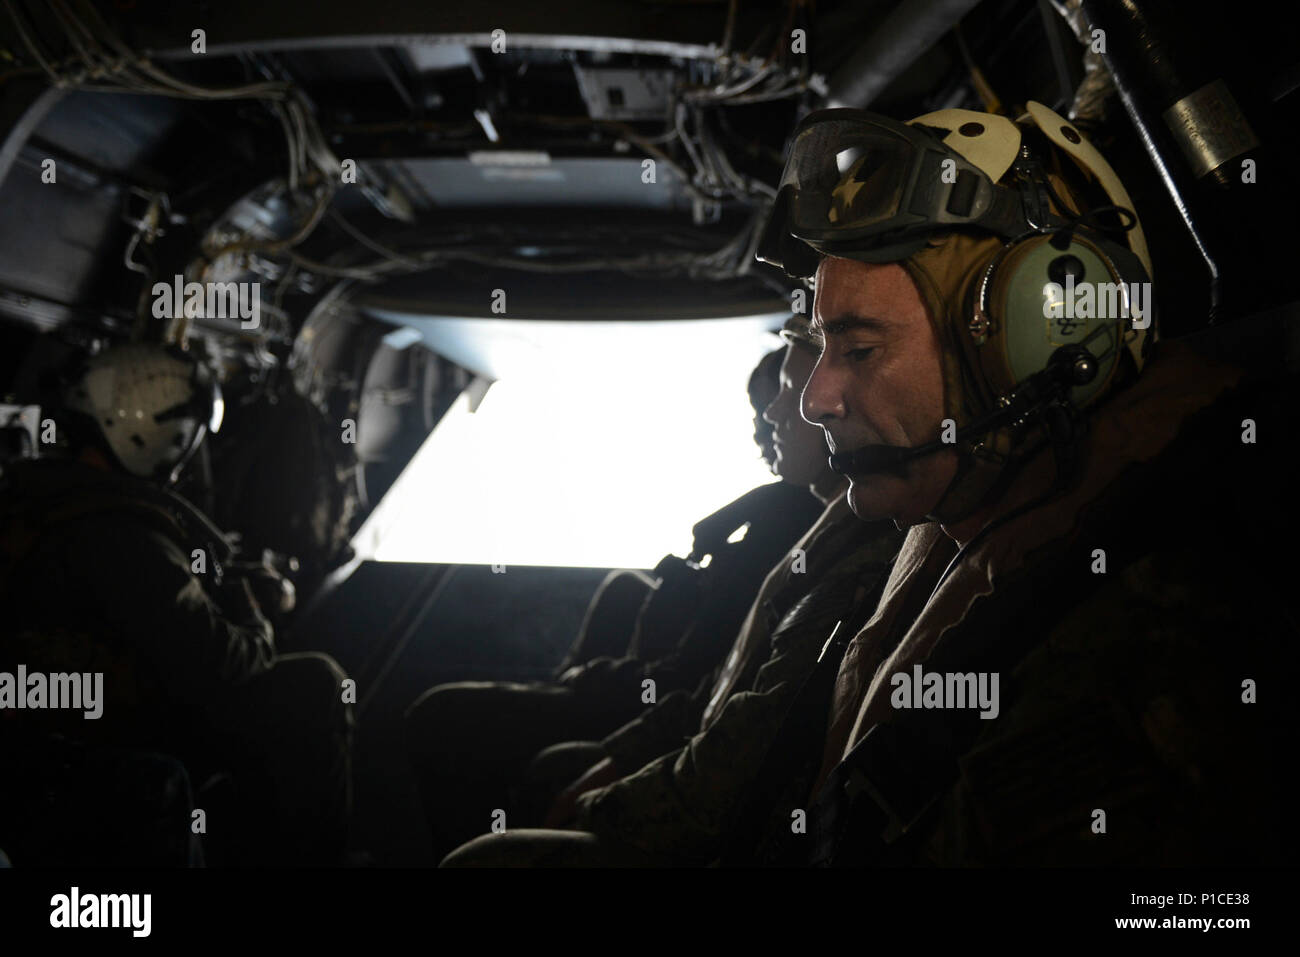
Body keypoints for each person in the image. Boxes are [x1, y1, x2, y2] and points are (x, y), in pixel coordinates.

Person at [733, 101, 1297, 866]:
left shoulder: (1166, 619)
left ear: (1043, 340)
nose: (814, 398)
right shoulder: (960, 516)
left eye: (859, 350)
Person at [440, 318, 905, 866]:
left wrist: (596, 806)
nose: (777, 415)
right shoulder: (820, 531)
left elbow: (737, 758)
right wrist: (615, 760)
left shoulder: (840, 552)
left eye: (785, 394)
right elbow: (718, 688)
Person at [0, 341, 353, 866]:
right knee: (314, 684)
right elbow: (221, 664)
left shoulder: (40, 496)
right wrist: (253, 612)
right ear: (156, 434)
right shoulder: (120, 535)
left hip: (48, 717)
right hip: (95, 732)